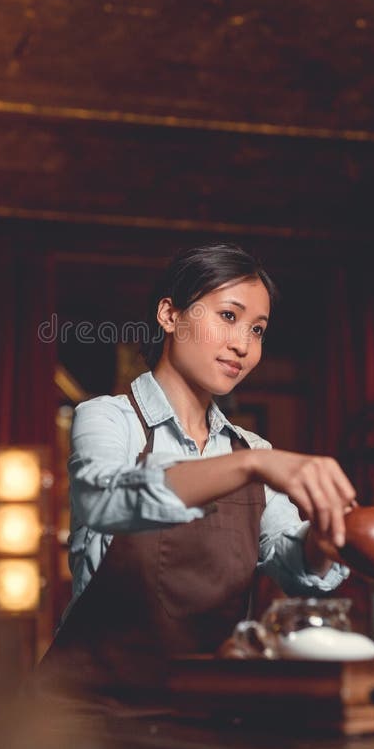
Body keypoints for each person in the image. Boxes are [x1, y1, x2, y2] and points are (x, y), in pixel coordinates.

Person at [40, 243, 356, 690]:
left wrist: (326, 537)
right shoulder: (109, 418)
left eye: (259, 330)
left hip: (200, 702)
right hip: (90, 712)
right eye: (229, 316)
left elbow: (296, 569)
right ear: (170, 315)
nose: (243, 345)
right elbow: (103, 498)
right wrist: (249, 464)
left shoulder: (250, 449)